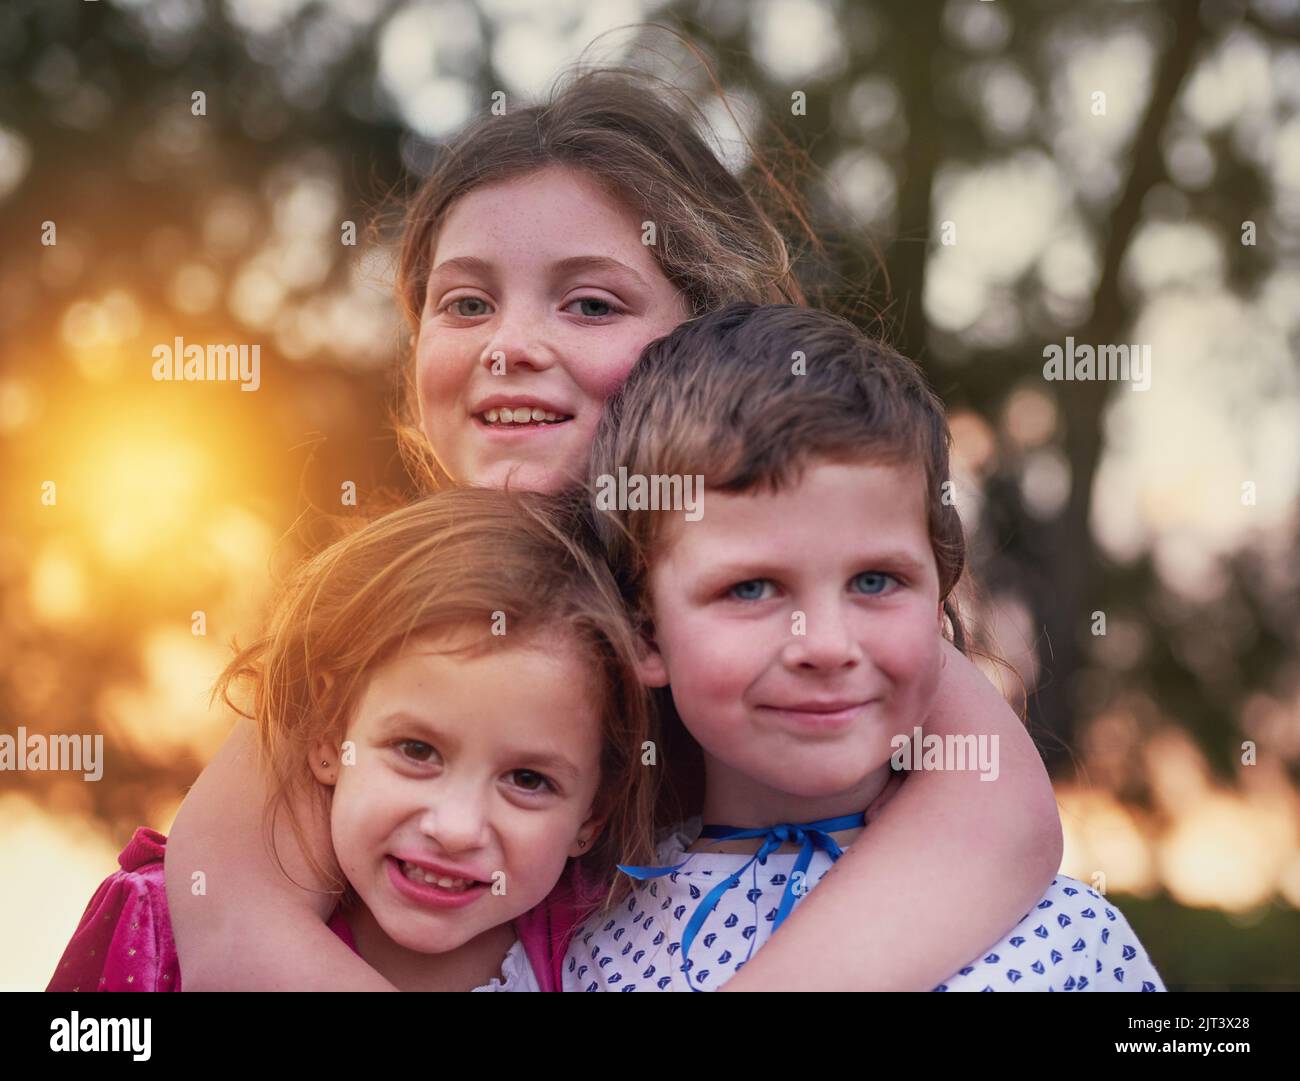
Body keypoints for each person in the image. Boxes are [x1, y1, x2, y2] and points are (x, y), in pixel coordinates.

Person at [166, 66, 1063, 992]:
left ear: (707, 343)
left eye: (590, 304)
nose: (509, 345)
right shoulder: (392, 612)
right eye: (466, 304)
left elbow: (1000, 818)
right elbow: (232, 916)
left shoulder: (797, 591)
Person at [567, 302, 1164, 991]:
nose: (825, 645)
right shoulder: (591, 949)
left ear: (938, 610)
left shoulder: (1065, 937)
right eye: (753, 588)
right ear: (646, 633)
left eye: (876, 580)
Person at [49, 489, 657, 991]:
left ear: (593, 816)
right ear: (326, 738)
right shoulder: (159, 929)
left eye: (528, 780)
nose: (455, 827)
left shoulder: (601, 956)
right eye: (417, 751)